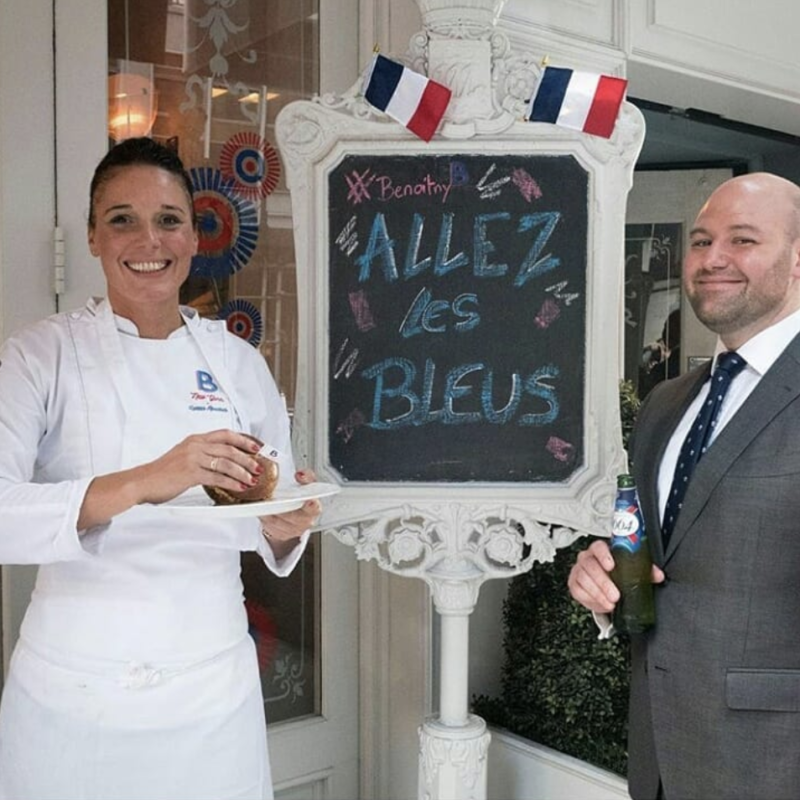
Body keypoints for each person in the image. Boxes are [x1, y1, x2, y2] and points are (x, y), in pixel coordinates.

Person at [0, 136, 321, 800]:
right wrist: (151, 478)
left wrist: (288, 524)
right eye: (122, 219)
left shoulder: (237, 364)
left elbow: (268, 516)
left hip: (210, 697)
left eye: (169, 219)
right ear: (92, 236)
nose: (149, 239)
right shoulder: (38, 357)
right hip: (71, 696)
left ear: (195, 236)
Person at [568, 172, 800, 800]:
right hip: (662, 756)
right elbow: (660, 558)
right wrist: (605, 577)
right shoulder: (666, 403)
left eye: (743, 239)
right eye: (700, 242)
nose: (713, 258)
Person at [638, 308, 681, 399]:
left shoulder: (672, 364)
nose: (664, 332)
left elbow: (646, 392)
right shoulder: (672, 361)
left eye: (667, 327)